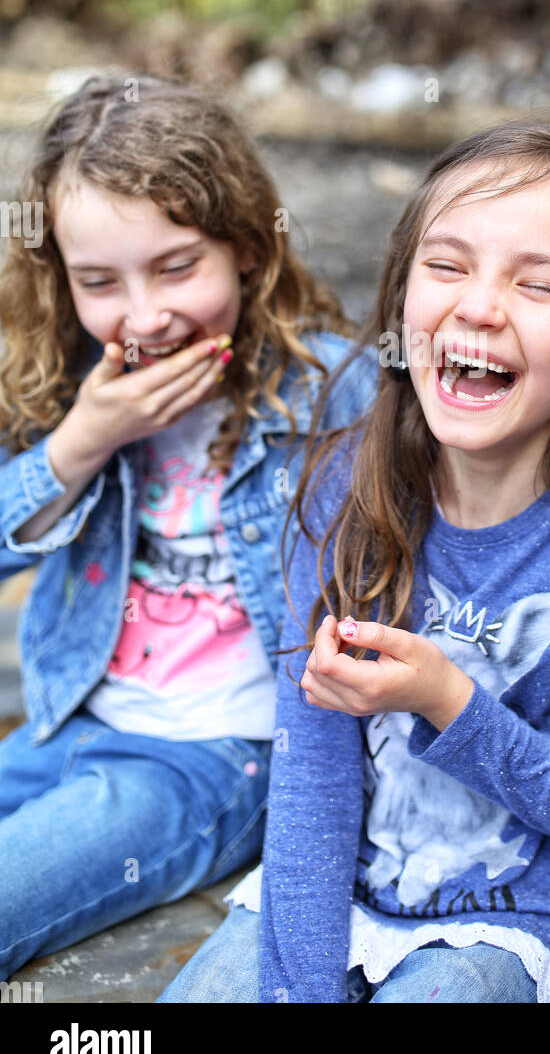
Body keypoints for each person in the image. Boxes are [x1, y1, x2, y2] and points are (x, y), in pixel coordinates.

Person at [160, 118, 550, 1004]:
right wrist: (299, 989)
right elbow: (314, 779)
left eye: (541, 284)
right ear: (405, 296)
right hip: (350, 886)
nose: (479, 306)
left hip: (516, 920)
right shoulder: (341, 490)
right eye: (447, 266)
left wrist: (447, 702)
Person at [0, 74, 377, 982]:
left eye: (177, 267)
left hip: (219, 757)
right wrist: (84, 441)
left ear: (247, 247)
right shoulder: (70, 378)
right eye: (99, 281)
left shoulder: (332, 386)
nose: (143, 315)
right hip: (66, 720)